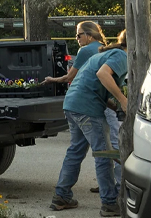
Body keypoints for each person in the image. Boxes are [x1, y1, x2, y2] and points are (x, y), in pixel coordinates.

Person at [50, 31, 129, 217]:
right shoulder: (121, 55)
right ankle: (110, 203)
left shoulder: (106, 53)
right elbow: (103, 75)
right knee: (104, 154)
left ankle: (61, 196)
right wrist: (123, 100)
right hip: (87, 108)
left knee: (76, 151)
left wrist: (115, 103)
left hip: (72, 104)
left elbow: (95, 85)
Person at [43, 21, 107, 85]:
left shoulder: (85, 50)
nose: (76, 38)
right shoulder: (104, 47)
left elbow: (69, 78)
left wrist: (51, 80)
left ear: (89, 35)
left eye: (79, 35)